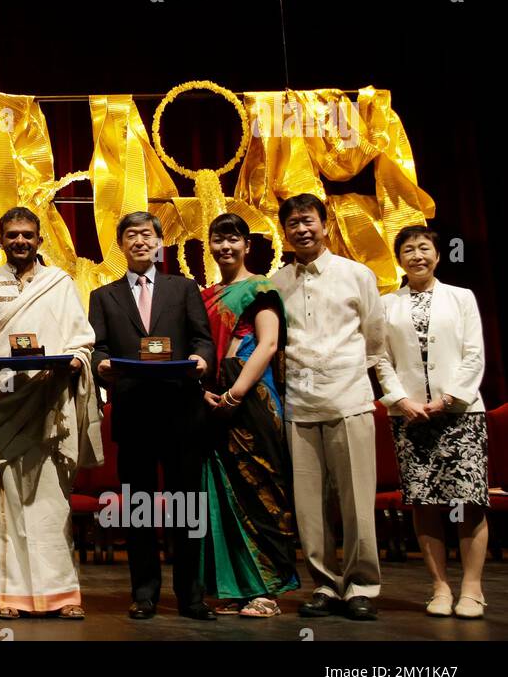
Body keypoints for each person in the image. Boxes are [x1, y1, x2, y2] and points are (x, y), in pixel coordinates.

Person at [0, 208, 102, 619]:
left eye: (27, 235)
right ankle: (6, 595)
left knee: (54, 501)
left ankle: (63, 595)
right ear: (1, 240)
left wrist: (76, 360)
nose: (20, 241)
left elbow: (82, 339)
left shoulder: (60, 284)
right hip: (5, 403)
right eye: (11, 235)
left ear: (40, 240)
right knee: (9, 501)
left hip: (50, 402)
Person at [89, 211, 216, 621]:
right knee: (138, 506)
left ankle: (191, 596)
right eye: (131, 236)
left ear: (160, 242)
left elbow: (202, 338)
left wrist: (202, 359)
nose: (140, 241)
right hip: (134, 411)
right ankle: (143, 593)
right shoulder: (104, 296)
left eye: (147, 234)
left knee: (187, 506)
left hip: (182, 410)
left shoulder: (184, 288)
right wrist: (101, 364)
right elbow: (98, 346)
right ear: (121, 246)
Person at [270, 193, 385, 621]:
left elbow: (375, 339)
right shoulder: (278, 282)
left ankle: (361, 585)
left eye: (308, 221)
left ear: (324, 224)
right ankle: (324, 584)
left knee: (356, 501)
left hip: (350, 400)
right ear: (284, 232)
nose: (301, 229)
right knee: (309, 506)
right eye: (293, 224)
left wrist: (349, 374)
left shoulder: (357, 275)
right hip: (300, 405)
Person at [375, 225, 489, 619]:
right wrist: (401, 400)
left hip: (460, 413)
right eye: (408, 250)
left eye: (424, 248)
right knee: (423, 501)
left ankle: (472, 589)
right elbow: (381, 359)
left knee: (468, 500)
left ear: (438, 255)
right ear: (399, 258)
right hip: (411, 416)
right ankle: (440, 587)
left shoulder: (461, 298)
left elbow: (474, 353)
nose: (417, 255)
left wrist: (450, 398)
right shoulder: (387, 305)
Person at [198, 213, 299, 618]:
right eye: (218, 240)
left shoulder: (260, 289)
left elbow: (268, 343)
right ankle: (238, 587)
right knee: (222, 494)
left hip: (252, 401)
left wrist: (235, 394)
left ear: (246, 245)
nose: (225, 247)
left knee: (262, 489)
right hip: (214, 404)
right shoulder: (206, 295)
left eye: (233, 239)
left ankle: (268, 591)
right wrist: (207, 394)